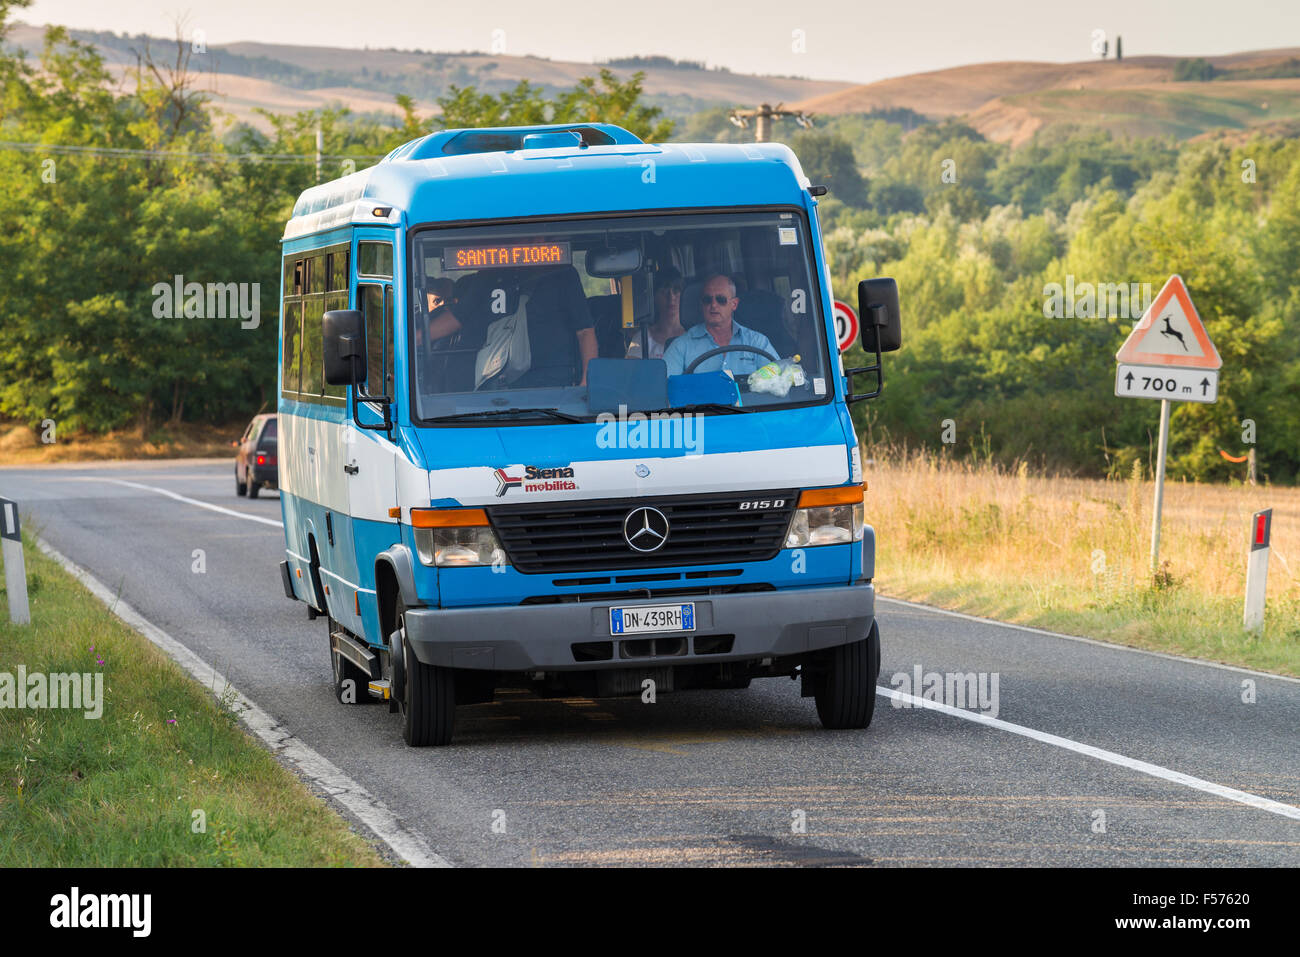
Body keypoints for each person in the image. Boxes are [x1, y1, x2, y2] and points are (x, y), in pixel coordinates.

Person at [424, 264, 597, 388]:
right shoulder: (489, 274)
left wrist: (586, 383)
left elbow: (585, 331)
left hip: (551, 385)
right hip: (498, 386)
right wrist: (412, 338)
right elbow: (458, 317)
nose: (530, 241)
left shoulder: (563, 274)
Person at [662, 273, 778, 376]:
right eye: (707, 300)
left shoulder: (757, 343)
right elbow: (664, 390)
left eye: (721, 300)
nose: (713, 305)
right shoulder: (681, 346)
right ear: (701, 304)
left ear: (734, 304)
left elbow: (780, 382)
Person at [625, 266, 684, 360]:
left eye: (676, 291)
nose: (671, 297)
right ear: (654, 297)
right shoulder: (642, 338)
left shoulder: (694, 336)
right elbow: (632, 373)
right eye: (664, 291)